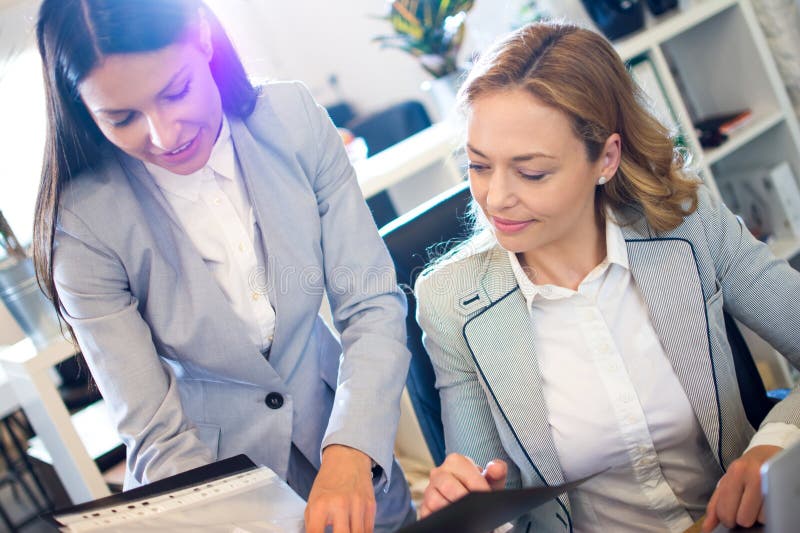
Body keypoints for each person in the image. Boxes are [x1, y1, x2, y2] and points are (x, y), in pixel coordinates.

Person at [33, 1, 415, 531]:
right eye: (121, 118)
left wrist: (352, 451)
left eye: (175, 91)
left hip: (350, 452)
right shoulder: (81, 226)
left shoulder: (292, 119)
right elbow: (155, 430)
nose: (164, 135)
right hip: (207, 485)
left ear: (203, 36)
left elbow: (370, 305)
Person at [414, 21, 800, 533]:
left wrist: (774, 445)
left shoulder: (687, 223)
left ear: (607, 159)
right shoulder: (451, 301)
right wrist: (463, 506)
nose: (496, 198)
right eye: (478, 166)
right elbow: (488, 496)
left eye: (531, 172)